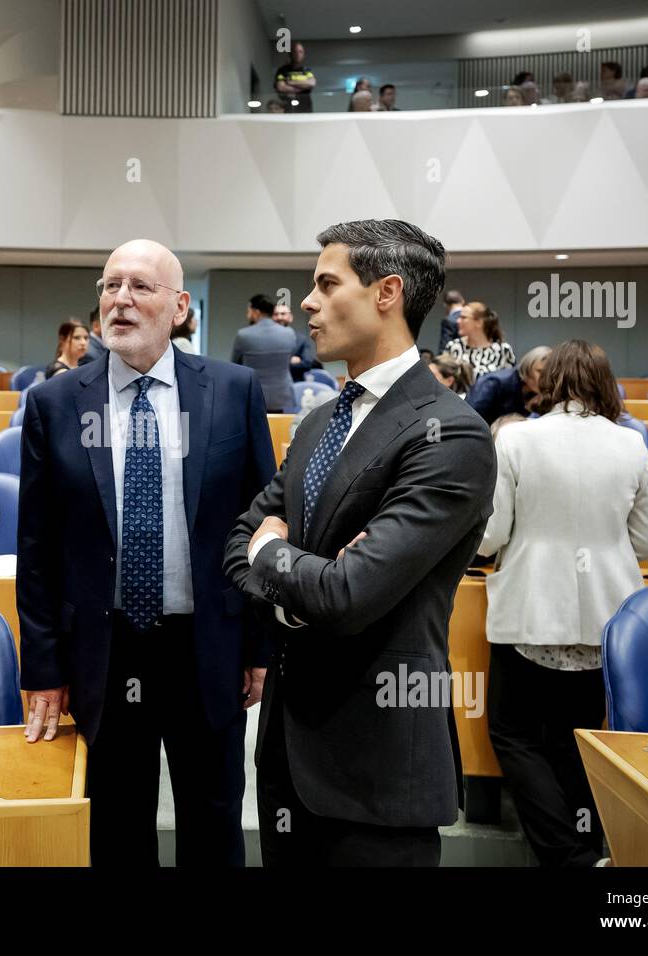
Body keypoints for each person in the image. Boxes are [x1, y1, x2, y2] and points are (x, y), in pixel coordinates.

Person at [224, 218, 497, 866]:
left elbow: (349, 592)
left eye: (325, 283)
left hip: (379, 768)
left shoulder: (451, 435)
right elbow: (239, 537)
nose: (307, 305)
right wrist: (297, 582)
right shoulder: (321, 419)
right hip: (288, 751)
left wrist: (274, 555)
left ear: (386, 293)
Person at [18, 238, 275, 866]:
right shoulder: (54, 404)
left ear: (180, 306)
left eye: (139, 286)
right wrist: (43, 669)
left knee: (213, 820)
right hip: (102, 651)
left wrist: (259, 648)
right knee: (115, 824)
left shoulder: (233, 391)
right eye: (110, 286)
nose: (120, 300)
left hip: (205, 645)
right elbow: (36, 548)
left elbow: (265, 528)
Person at [477, 340, 648, 867]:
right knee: (576, 739)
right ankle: (586, 850)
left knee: (513, 735)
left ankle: (568, 858)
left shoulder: (516, 440)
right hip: (606, 616)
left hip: (530, 612)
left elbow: (492, 537)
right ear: (606, 383)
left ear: (548, 380)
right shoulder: (630, 444)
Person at [231, 294, 297, 412]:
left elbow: (235, 365)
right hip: (282, 396)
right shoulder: (289, 333)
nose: (248, 314)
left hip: (253, 396)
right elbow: (288, 359)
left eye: (249, 310)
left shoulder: (244, 335)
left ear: (256, 312)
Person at [466, 345, 551, 424]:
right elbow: (470, 418)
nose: (545, 378)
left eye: (549, 373)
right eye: (540, 372)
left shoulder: (543, 392)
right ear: (527, 368)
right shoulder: (494, 383)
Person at [444, 301, 516, 377]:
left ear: (479, 322)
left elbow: (510, 383)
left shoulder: (503, 350)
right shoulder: (453, 347)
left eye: (463, 317)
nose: (458, 321)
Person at [274, 302, 318, 381]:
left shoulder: (301, 339)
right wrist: (289, 361)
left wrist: (277, 363)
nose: (279, 317)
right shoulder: (265, 339)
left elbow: (307, 364)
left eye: (283, 314)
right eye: (276, 314)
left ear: (290, 317)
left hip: (296, 385)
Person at [275, 42, 315, 113]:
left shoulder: (306, 70)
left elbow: (311, 83)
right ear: (291, 54)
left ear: (303, 54)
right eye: (295, 51)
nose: (298, 54)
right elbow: (281, 87)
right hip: (289, 107)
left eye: (300, 52)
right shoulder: (283, 70)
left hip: (305, 107)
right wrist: (303, 87)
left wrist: (291, 82)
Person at [437, 288, 464, 353]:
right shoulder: (474, 318)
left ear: (445, 304)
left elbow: (445, 347)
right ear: (463, 301)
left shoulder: (449, 321)